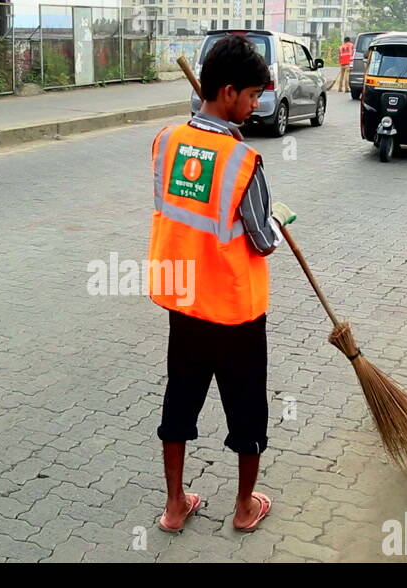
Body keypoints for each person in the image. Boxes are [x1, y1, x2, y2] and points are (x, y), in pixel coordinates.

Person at [147, 35, 283, 534]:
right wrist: (272, 218)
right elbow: (263, 239)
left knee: (180, 398)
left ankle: (174, 505)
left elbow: (178, 210)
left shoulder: (165, 141)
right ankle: (245, 507)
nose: (254, 106)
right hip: (233, 310)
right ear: (227, 92)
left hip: (183, 300)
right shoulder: (243, 161)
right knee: (246, 406)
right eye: (251, 96)